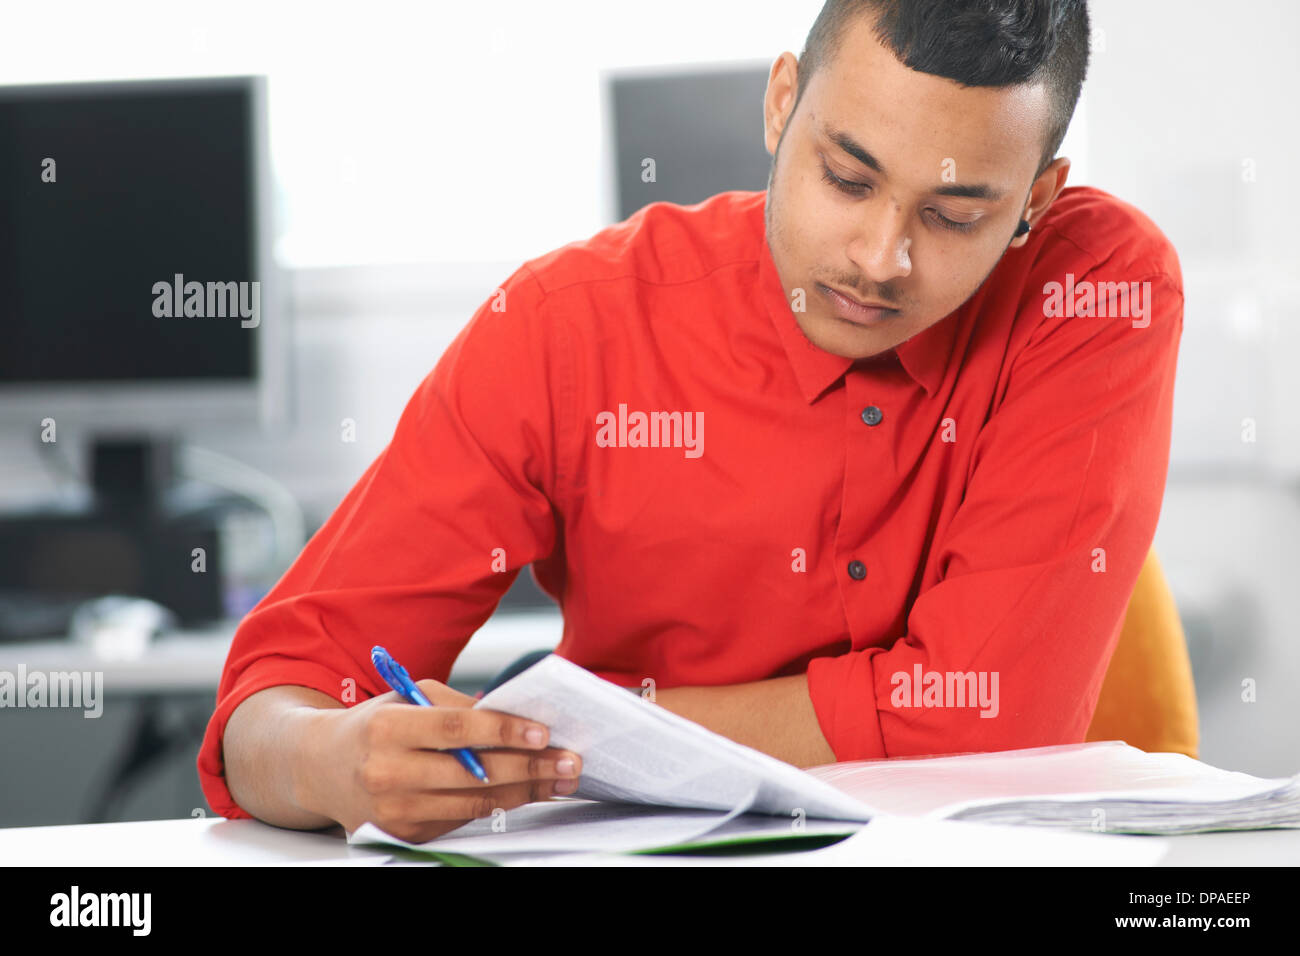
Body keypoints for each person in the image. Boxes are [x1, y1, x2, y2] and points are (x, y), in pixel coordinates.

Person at [201, 0, 1183, 845]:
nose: (882, 257)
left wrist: (594, 732)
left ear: (1032, 201)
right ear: (779, 103)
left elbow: (987, 716)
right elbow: (272, 702)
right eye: (846, 178)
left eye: (955, 216)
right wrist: (337, 757)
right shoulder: (566, 327)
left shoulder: (1091, 286)